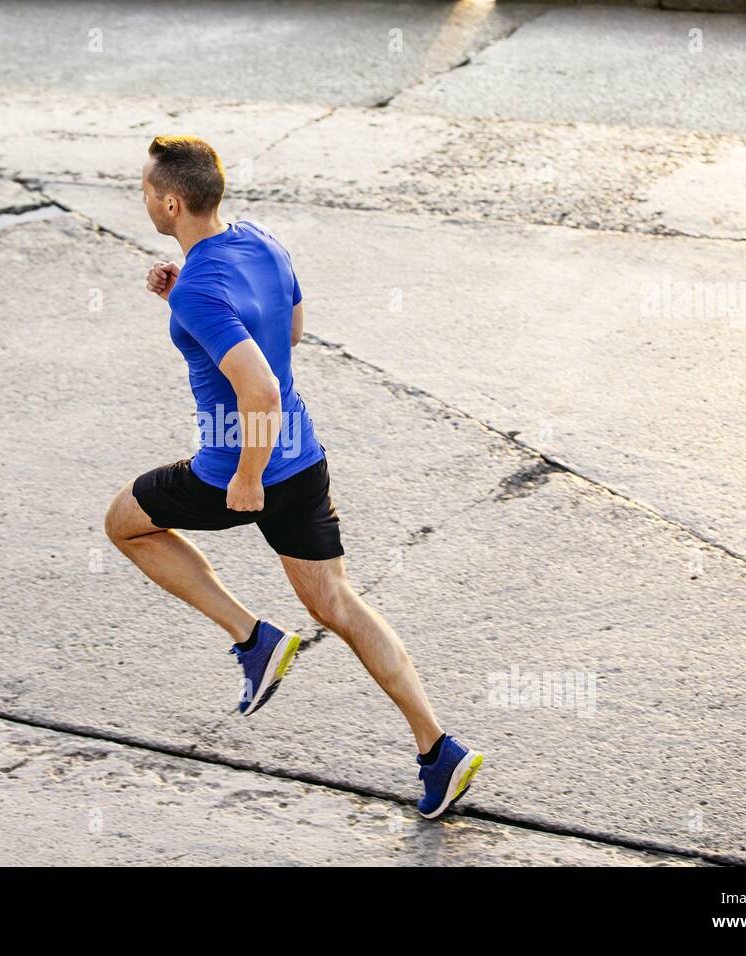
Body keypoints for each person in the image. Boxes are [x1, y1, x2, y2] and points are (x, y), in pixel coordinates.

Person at [104, 135, 483, 818]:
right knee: (336, 604)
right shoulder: (261, 243)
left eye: (143, 191)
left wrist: (246, 477)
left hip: (233, 467)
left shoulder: (198, 289)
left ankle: (254, 638)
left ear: (169, 202)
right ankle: (439, 749)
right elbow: (292, 329)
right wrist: (183, 297)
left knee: (125, 524)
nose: (142, 200)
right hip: (303, 460)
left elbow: (259, 389)